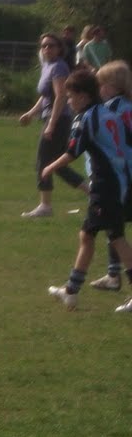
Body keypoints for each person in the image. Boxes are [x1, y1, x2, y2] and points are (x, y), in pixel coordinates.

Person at [41, 67, 132, 310]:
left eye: (70, 97)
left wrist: (50, 167)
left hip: (106, 185)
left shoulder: (86, 117)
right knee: (92, 235)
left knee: (114, 238)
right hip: (119, 181)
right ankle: (71, 291)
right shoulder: (108, 113)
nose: (69, 102)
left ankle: (72, 291)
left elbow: (73, 152)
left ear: (82, 96)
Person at [18, 33, 84, 218]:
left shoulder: (59, 67)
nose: (47, 49)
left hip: (59, 119)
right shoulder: (48, 65)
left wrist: (51, 124)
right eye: (44, 46)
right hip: (53, 118)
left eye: (51, 45)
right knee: (57, 164)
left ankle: (45, 206)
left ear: (60, 48)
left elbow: (61, 96)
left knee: (43, 161)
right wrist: (31, 113)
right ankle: (94, 193)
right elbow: (46, 97)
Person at [89, 60, 132, 294]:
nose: (99, 89)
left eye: (101, 84)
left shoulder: (109, 110)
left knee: (114, 228)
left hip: (120, 176)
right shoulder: (128, 106)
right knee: (114, 226)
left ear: (111, 86)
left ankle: (115, 276)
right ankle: (113, 274)